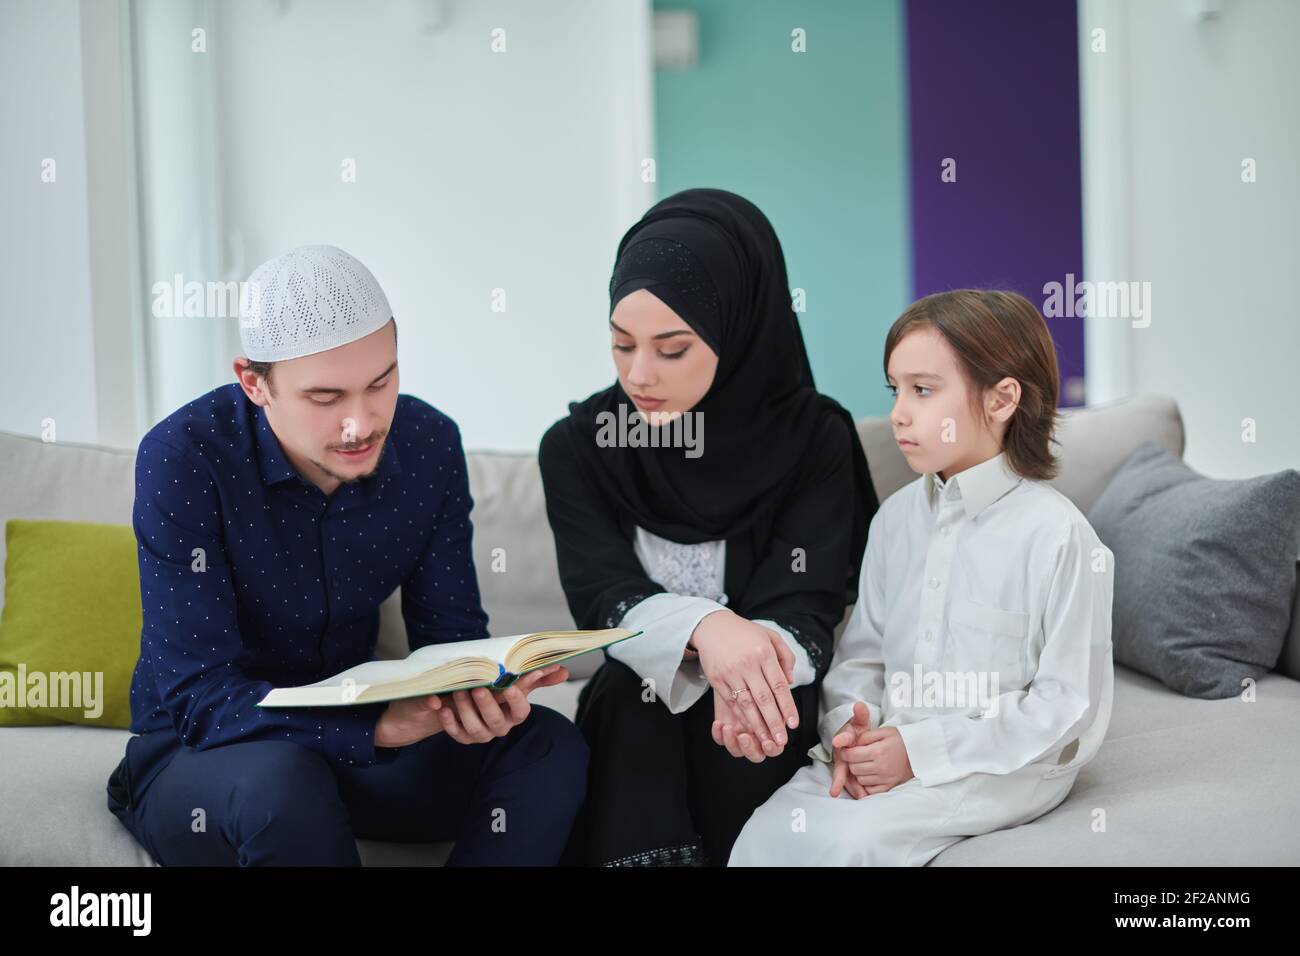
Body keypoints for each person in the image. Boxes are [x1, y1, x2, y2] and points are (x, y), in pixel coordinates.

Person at [106, 244, 586, 866]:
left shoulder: (429, 444)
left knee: (547, 746)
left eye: (380, 383)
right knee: (283, 781)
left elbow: (451, 635)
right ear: (255, 383)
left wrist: (476, 696)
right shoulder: (185, 458)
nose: (360, 424)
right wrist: (375, 729)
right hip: (211, 759)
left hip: (361, 759)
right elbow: (200, 699)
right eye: (327, 398)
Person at [538, 189, 879, 866]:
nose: (640, 375)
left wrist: (745, 668)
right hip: (634, 701)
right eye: (621, 343)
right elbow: (605, 600)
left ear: (739, 328)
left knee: (756, 724)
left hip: (770, 701)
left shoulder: (815, 440)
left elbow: (805, 610)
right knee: (639, 702)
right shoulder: (578, 447)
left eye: (672, 349)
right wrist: (707, 631)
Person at [729, 289, 1115, 866]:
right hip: (889, 745)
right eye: (896, 389)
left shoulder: (1058, 537)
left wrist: (919, 750)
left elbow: (1067, 707)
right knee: (764, 831)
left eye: (923, 390)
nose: (898, 413)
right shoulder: (895, 520)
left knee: (851, 842)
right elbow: (862, 658)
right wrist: (850, 732)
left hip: (1003, 764)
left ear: (1002, 398)